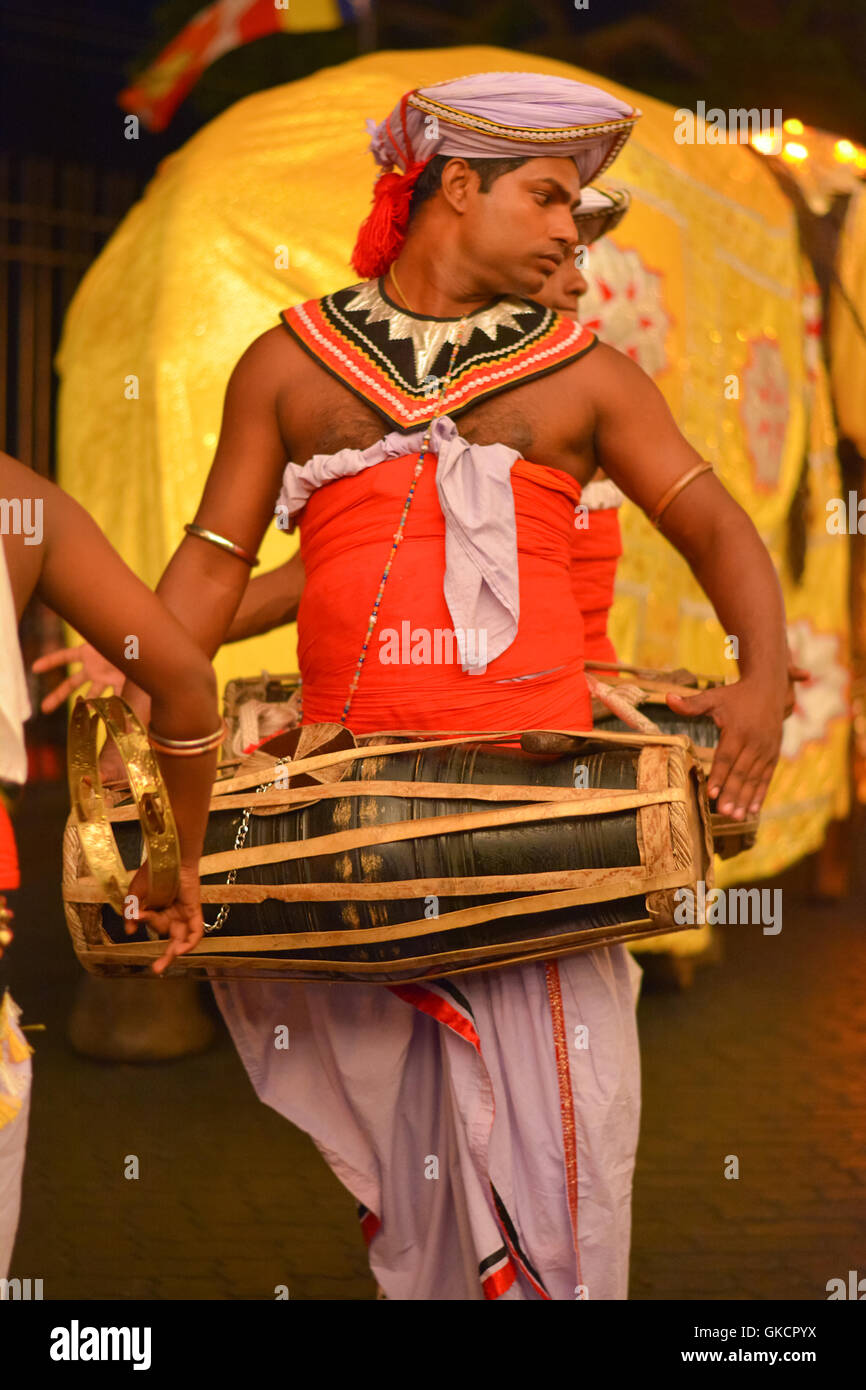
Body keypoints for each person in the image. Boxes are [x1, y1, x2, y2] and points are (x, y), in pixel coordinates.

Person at [70, 73, 790, 1299]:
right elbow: (213, 564)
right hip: (348, 835)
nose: (574, 228)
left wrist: (761, 678)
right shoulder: (287, 366)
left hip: (536, 837)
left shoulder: (586, 375)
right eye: (550, 196)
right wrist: (133, 690)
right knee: (417, 1194)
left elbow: (716, 525)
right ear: (455, 186)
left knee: (565, 1172)